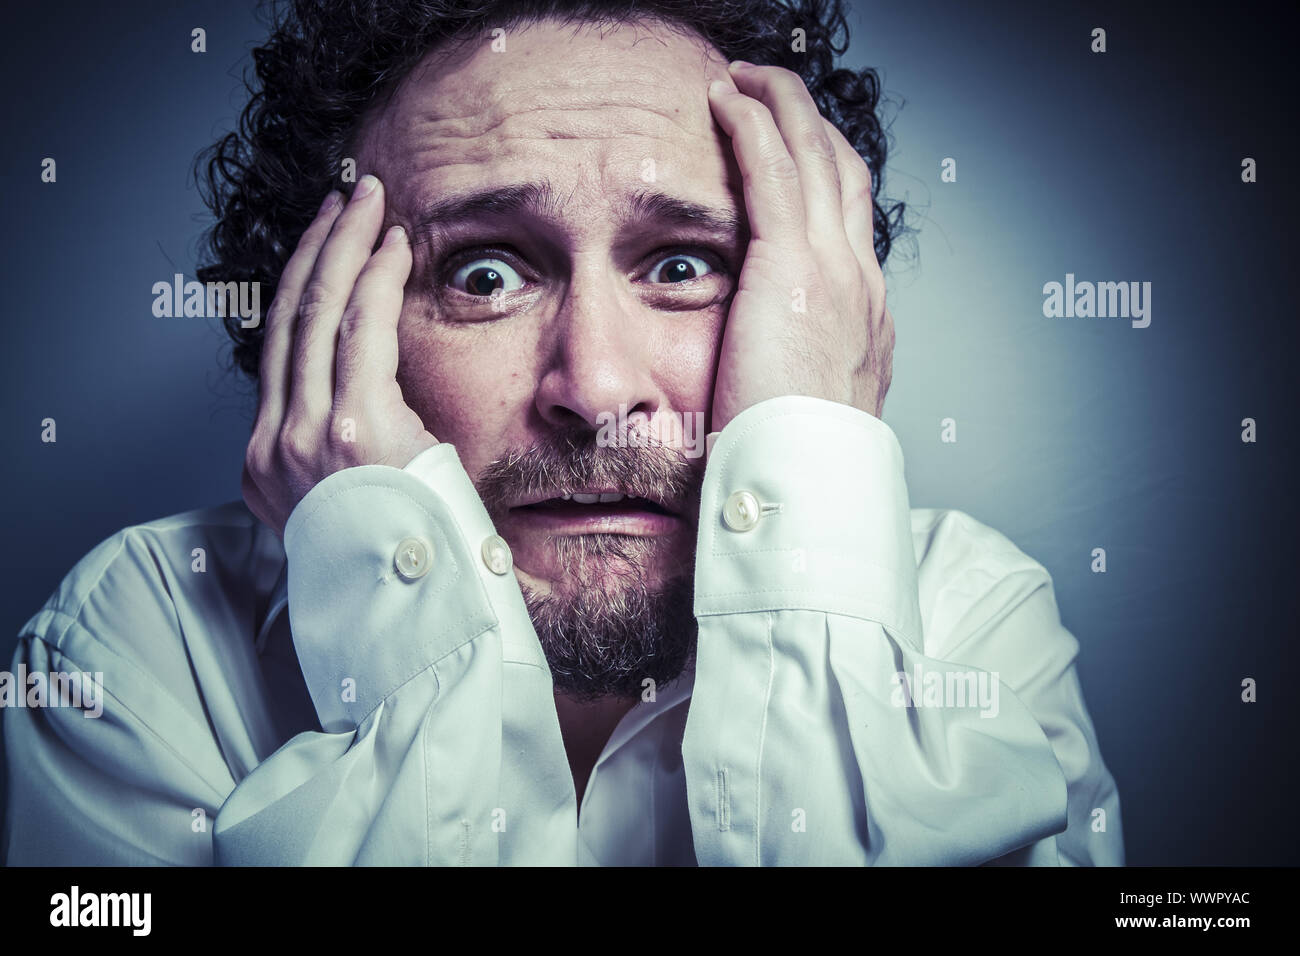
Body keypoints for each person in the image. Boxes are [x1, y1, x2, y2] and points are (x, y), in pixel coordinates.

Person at [2, 0, 1123, 865]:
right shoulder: (138, 650)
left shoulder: (970, 624)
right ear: (324, 316)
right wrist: (399, 607)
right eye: (484, 272)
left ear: (823, 303)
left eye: (683, 265)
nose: (592, 387)